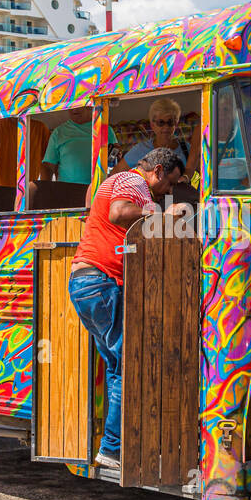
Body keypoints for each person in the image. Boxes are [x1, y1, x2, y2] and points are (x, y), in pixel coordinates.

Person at [68, 147, 184, 469]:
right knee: (127, 364)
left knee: (116, 365)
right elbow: (118, 212)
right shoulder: (132, 183)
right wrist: (162, 215)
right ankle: (111, 448)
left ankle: (115, 443)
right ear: (158, 171)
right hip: (99, 283)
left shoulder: (127, 184)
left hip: (88, 284)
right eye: (170, 183)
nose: (170, 191)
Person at [41, 104, 117, 184]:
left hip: (98, 190)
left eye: (78, 104)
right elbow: (48, 166)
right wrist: (45, 190)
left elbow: (114, 161)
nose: (74, 109)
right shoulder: (58, 132)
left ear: (88, 105)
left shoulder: (105, 129)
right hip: (67, 191)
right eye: (71, 105)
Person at [123, 97, 193, 171]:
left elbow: (205, 172)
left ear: (176, 124)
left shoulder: (186, 149)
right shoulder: (141, 149)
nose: (166, 127)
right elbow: (115, 174)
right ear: (152, 125)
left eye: (170, 122)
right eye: (161, 122)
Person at [0, 117, 49, 188]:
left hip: (27, 194)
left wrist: (44, 191)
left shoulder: (40, 128)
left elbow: (47, 164)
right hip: (1, 193)